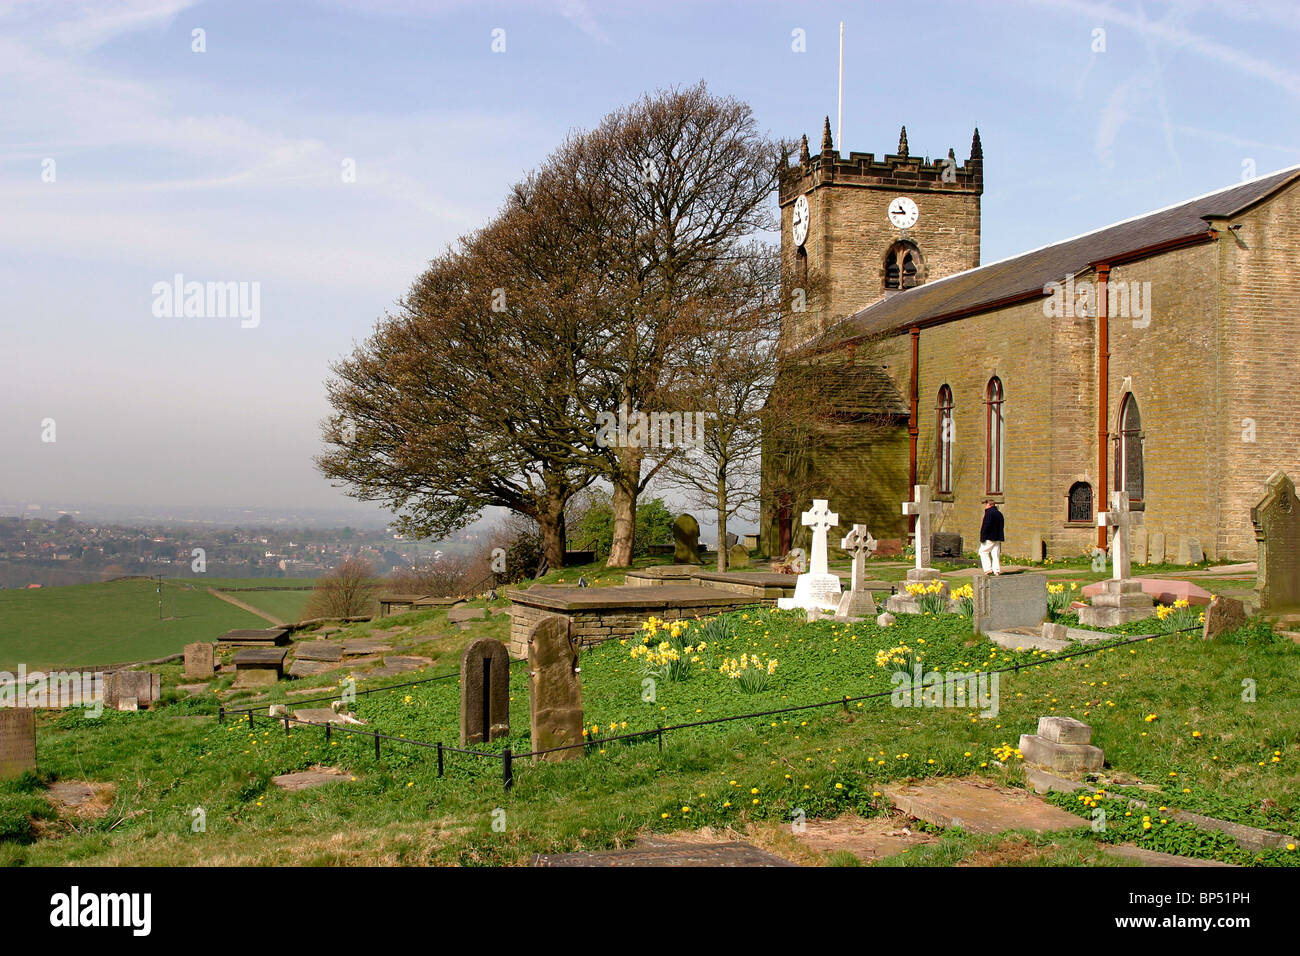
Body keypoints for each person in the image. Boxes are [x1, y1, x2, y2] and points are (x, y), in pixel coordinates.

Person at [979, 499, 1004, 574]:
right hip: (998, 537)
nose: (985, 506)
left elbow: (986, 526)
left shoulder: (989, 513)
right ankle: (997, 570)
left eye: (986, 504)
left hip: (989, 537)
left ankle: (988, 569)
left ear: (989, 505)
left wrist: (982, 537)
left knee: (983, 551)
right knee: (995, 554)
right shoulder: (999, 513)